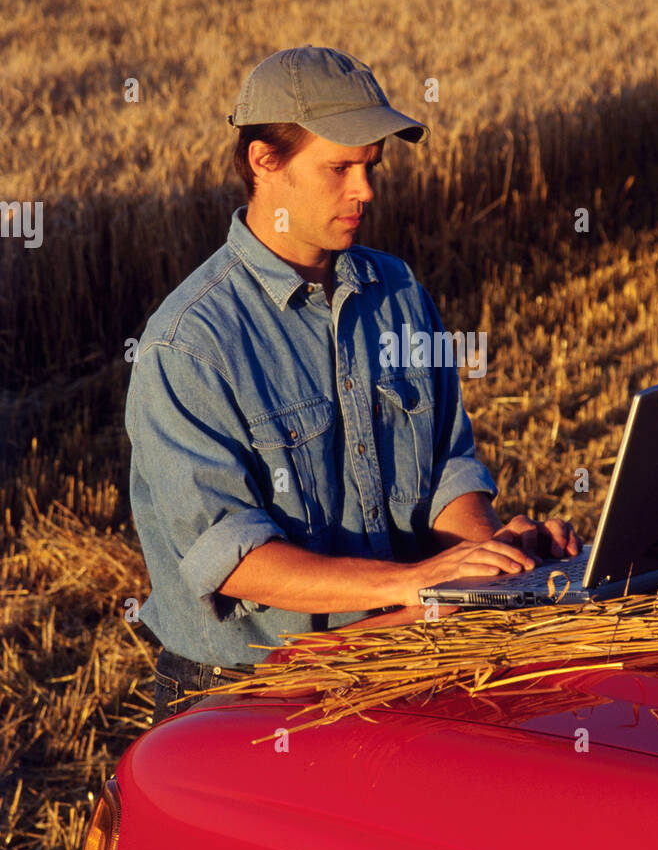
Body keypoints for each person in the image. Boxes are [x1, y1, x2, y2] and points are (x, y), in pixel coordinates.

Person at [125, 45, 581, 724]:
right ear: (263, 163)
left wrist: (477, 562)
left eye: (370, 167)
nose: (364, 191)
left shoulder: (396, 290)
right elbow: (230, 557)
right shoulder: (190, 342)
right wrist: (412, 580)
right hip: (245, 692)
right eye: (338, 168)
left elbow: (447, 469)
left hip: (393, 651)